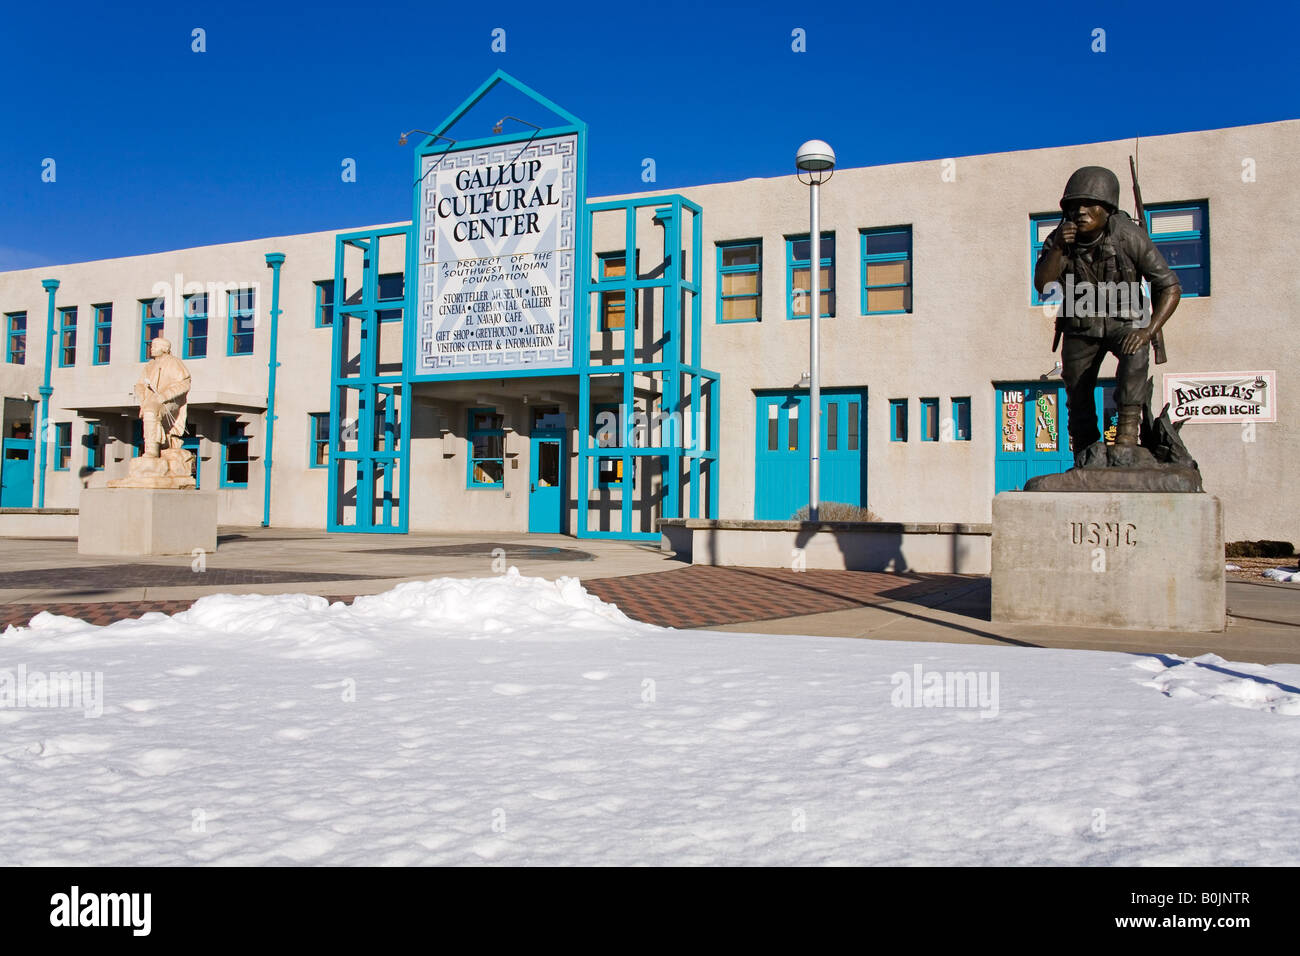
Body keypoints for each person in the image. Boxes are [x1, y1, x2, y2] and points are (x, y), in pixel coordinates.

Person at [1033, 166, 1180, 467]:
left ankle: (1126, 439)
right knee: (1076, 387)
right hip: (1080, 322)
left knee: (1136, 353)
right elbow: (1043, 284)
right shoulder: (1058, 238)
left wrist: (1148, 331)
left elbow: (1169, 286)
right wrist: (1060, 248)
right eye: (1074, 205)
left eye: (1089, 205)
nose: (1081, 212)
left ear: (1108, 209)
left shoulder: (1129, 235)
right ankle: (1086, 450)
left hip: (1125, 321)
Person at [134, 336, 191, 457]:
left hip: (170, 401)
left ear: (164, 349)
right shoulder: (150, 365)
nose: (151, 348)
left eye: (155, 346)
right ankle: (157, 445)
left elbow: (184, 384)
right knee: (149, 411)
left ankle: (152, 450)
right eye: (151, 346)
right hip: (151, 401)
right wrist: (141, 393)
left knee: (151, 411)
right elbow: (140, 383)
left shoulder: (173, 362)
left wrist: (165, 395)